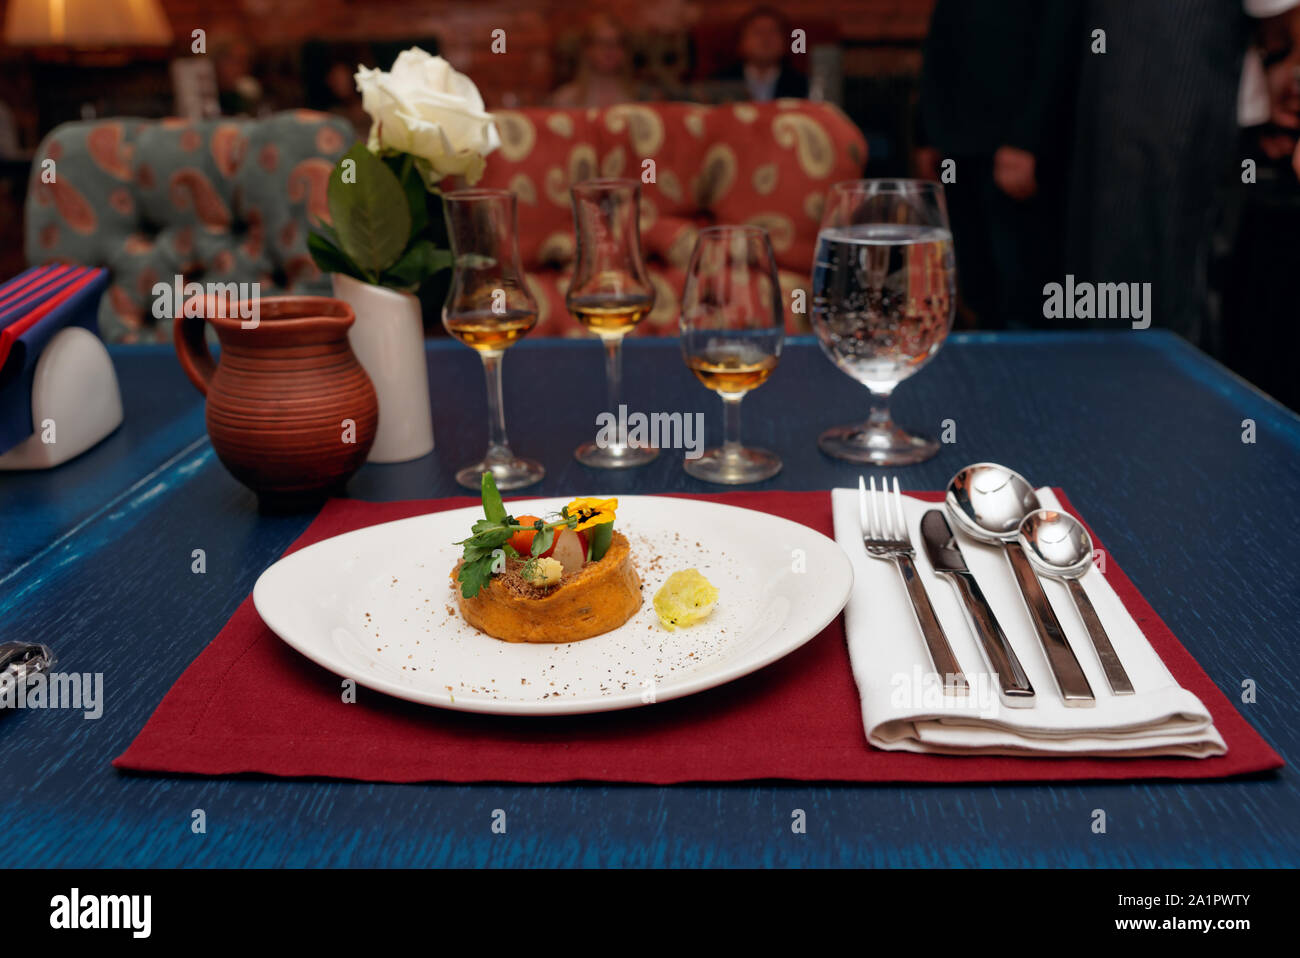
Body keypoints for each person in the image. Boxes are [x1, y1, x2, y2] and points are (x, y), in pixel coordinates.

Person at [915, 0, 1076, 330]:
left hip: (1016, 147)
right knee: (975, 282)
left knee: (1023, 286)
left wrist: (1028, 141)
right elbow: (940, 40)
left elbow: (1059, 47)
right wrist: (926, 133)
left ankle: (1029, 372)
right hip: (956, 145)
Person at [714, 6, 808, 102]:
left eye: (773, 32)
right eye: (758, 32)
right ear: (741, 42)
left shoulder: (804, 86)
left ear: (785, 42)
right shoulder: (719, 83)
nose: (766, 39)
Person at [551, 15, 643, 108]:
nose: (609, 50)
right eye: (602, 43)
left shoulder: (640, 97)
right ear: (587, 49)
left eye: (617, 43)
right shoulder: (565, 99)